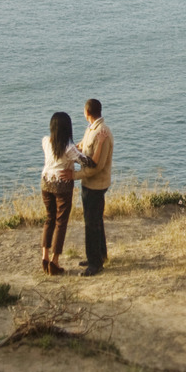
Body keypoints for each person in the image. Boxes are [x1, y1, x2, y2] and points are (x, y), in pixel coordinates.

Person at [40, 111, 91, 276]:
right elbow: (86, 162)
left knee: (49, 219)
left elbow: (58, 155)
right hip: (62, 185)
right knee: (61, 222)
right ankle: (55, 261)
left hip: (46, 183)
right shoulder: (69, 146)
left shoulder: (46, 141)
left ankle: (45, 257)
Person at [74, 98, 115, 276]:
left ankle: (95, 263)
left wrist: (74, 176)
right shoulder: (91, 129)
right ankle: (99, 255)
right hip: (89, 184)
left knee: (92, 223)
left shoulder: (102, 132)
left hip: (96, 185)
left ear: (87, 113)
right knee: (95, 221)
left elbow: (97, 166)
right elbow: (83, 147)